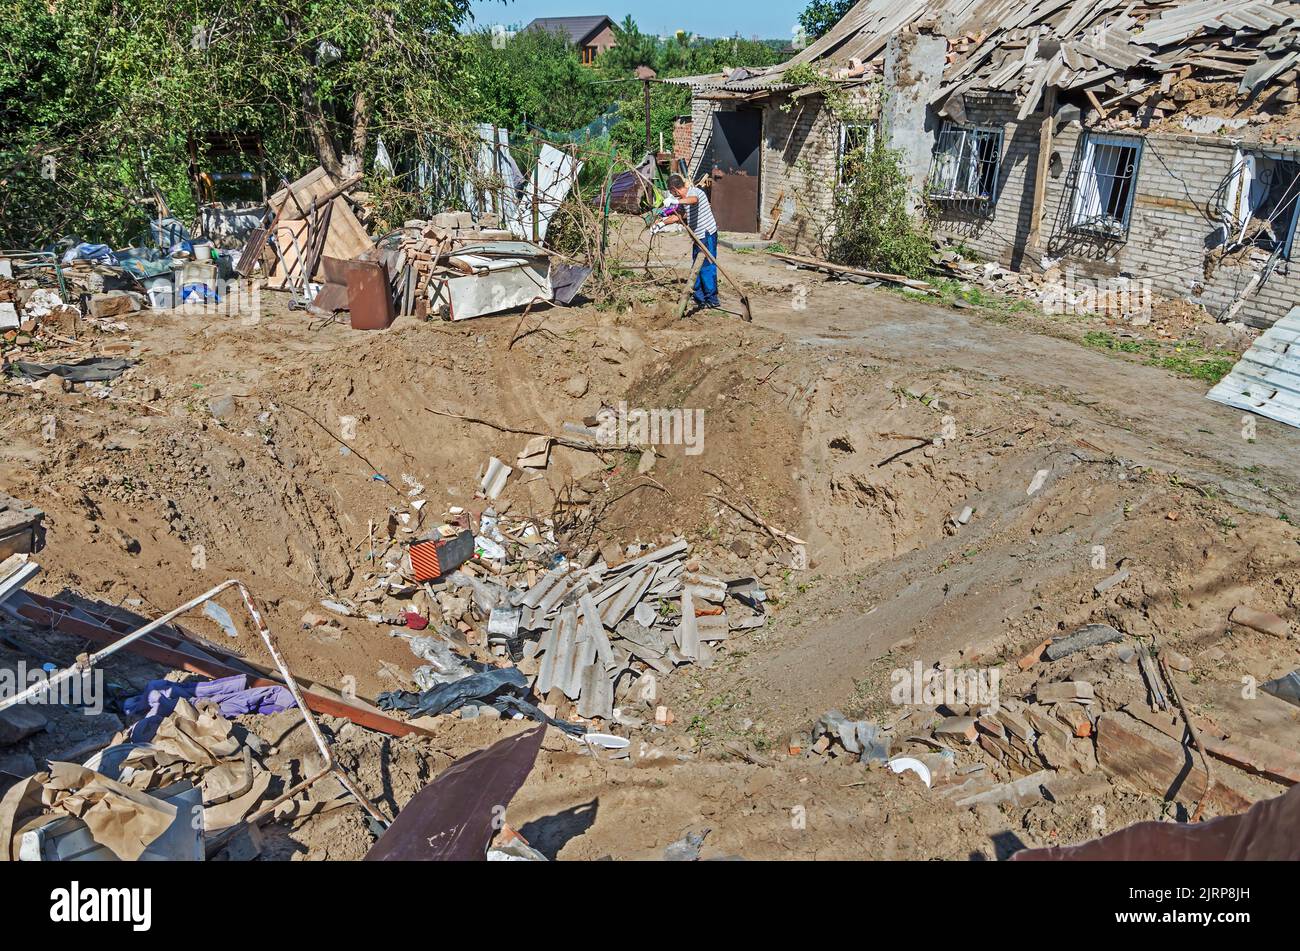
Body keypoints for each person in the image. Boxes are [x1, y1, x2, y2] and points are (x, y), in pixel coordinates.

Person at [666, 173, 720, 311]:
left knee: (707, 266)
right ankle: (699, 298)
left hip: (707, 234)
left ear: (674, 189)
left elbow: (693, 200)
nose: (674, 196)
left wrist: (676, 202)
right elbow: (679, 216)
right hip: (697, 237)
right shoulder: (683, 200)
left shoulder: (696, 192)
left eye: (672, 193)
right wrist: (661, 223)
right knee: (696, 266)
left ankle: (712, 299)